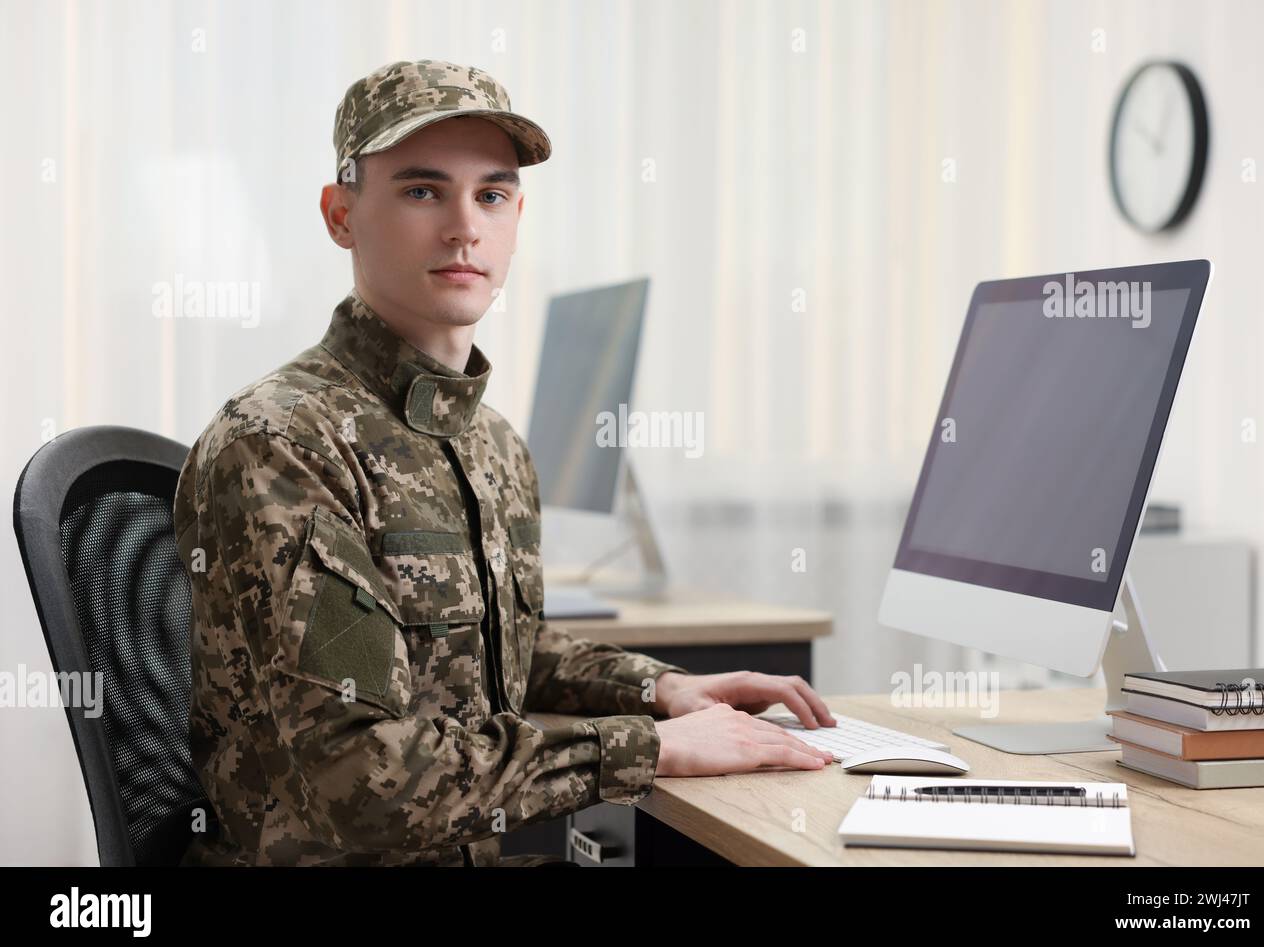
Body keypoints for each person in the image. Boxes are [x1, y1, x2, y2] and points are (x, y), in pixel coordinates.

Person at [173, 59, 835, 866]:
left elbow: (498, 652)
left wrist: (662, 691)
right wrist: (643, 748)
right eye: (422, 191)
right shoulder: (281, 443)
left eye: (490, 195)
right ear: (340, 214)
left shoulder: (494, 446)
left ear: (517, 215)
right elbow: (363, 776)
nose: (463, 227)